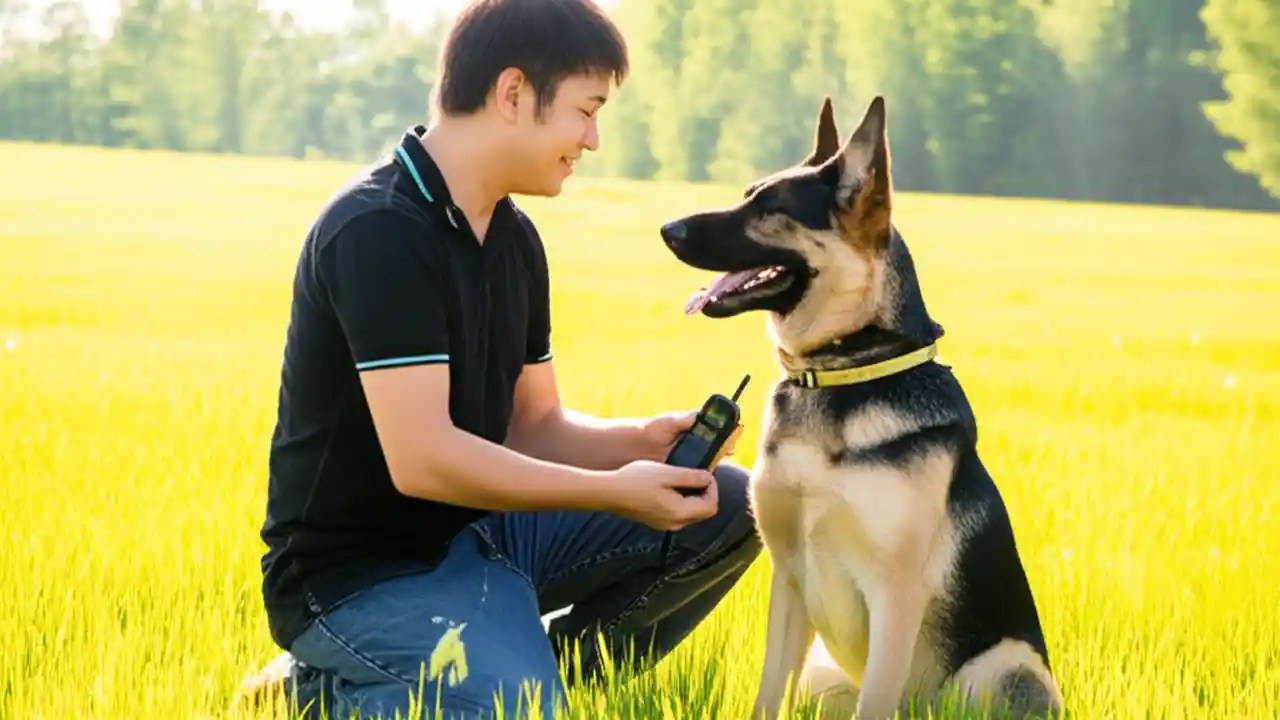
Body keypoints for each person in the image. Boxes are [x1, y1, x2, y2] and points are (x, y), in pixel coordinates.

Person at [256, 1, 761, 718]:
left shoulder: (514, 240)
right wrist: (613, 491)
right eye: (586, 111)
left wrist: (639, 441)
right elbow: (423, 460)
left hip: (485, 533)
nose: (592, 140)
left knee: (732, 505)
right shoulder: (377, 232)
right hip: (362, 574)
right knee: (514, 706)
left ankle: (516, 677)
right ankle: (336, 681)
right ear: (514, 93)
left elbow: (533, 426)